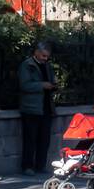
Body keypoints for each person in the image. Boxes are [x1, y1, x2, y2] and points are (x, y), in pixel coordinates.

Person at [18, 41, 57, 174]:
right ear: (36, 53)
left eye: (47, 56)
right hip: (31, 108)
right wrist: (42, 85)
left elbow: (51, 80)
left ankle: (40, 165)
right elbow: (24, 85)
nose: (45, 59)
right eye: (43, 56)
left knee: (44, 139)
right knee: (30, 139)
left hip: (45, 107)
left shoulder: (47, 66)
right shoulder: (27, 65)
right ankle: (28, 166)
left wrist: (53, 85)